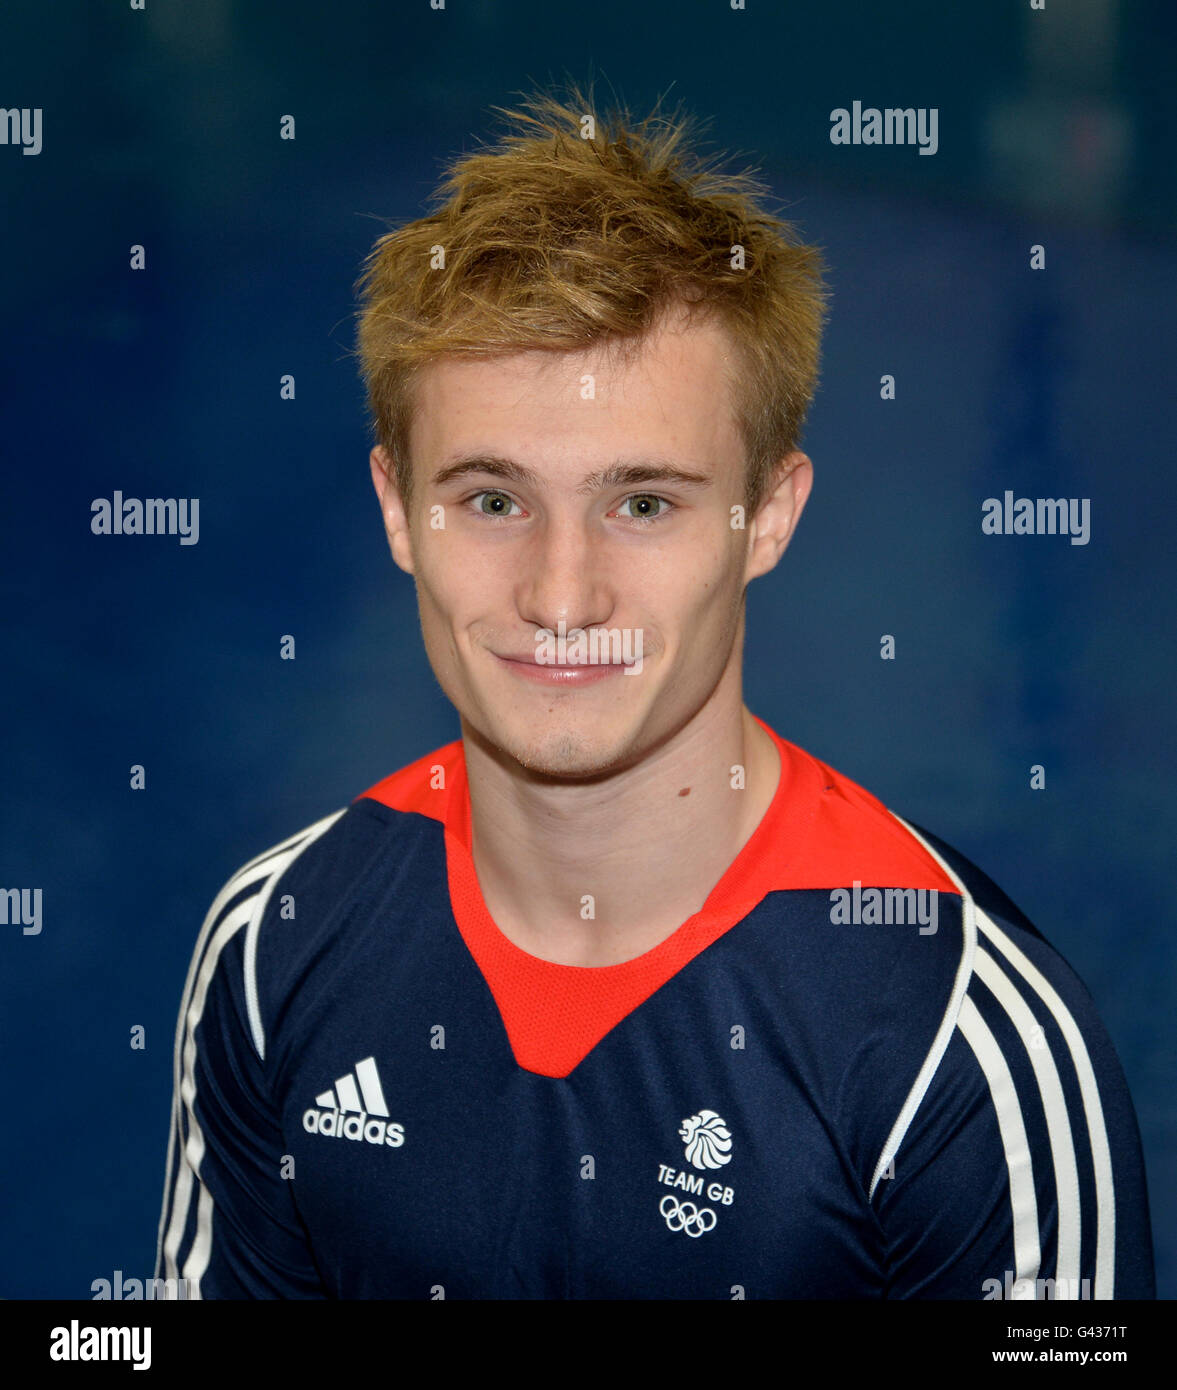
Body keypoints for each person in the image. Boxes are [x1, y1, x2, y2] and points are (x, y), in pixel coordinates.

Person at [154, 86, 1154, 1299]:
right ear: (393, 508)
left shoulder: (959, 1040)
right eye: (491, 499)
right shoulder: (275, 943)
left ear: (768, 517)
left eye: (643, 503)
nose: (561, 596)